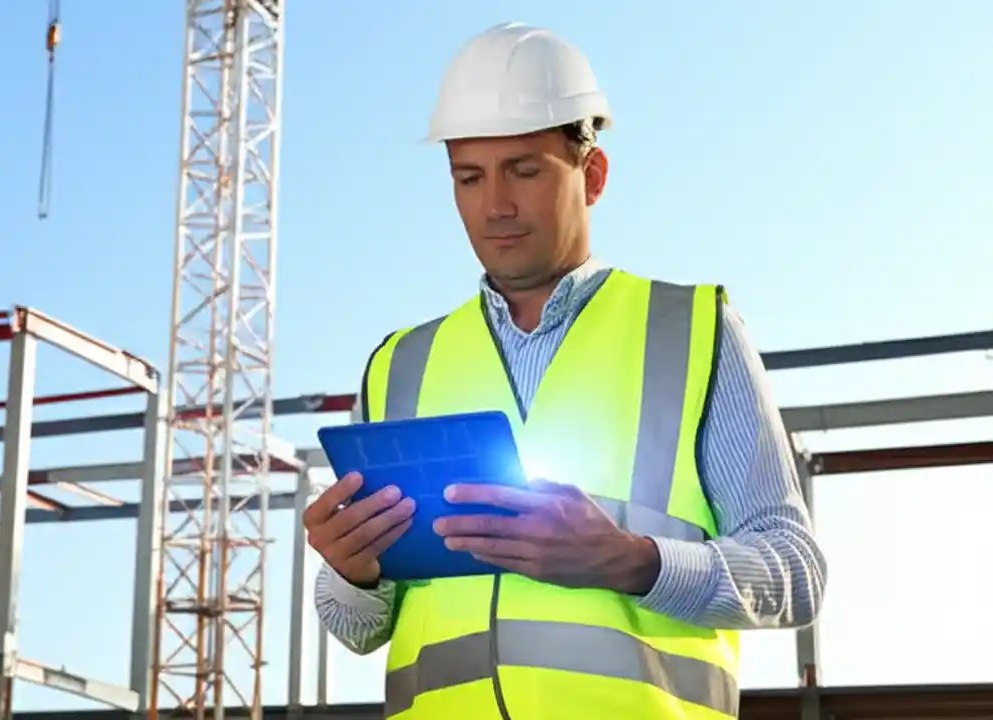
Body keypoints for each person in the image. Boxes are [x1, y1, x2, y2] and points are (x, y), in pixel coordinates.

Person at [301, 21, 828, 720]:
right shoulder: (399, 365)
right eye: (469, 176)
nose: (495, 206)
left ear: (593, 175)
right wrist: (350, 570)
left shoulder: (693, 330)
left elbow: (795, 572)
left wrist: (634, 561)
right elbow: (357, 627)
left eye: (523, 170)